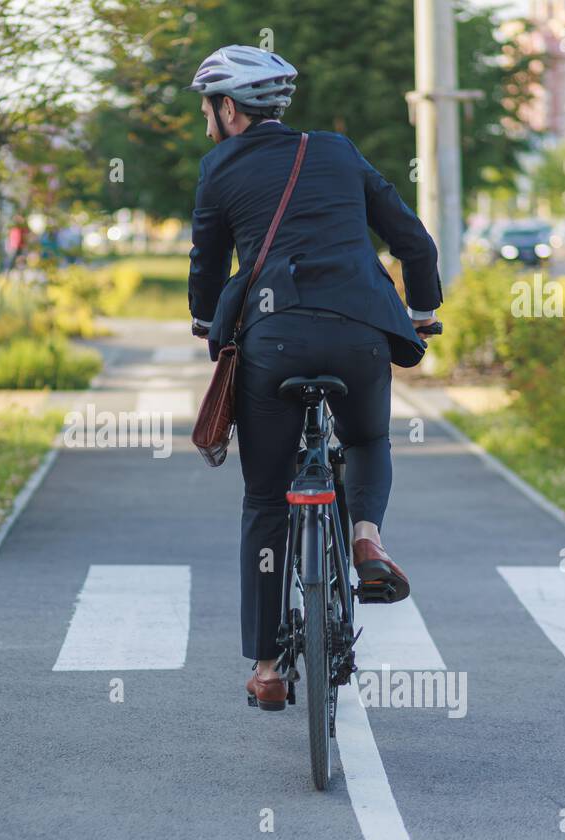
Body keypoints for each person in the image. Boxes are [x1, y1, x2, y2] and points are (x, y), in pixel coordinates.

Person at [185, 45, 442, 711]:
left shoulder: (217, 169)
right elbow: (411, 240)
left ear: (229, 109)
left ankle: (267, 666)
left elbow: (206, 264)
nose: (204, 119)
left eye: (207, 106)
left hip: (273, 341)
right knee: (364, 441)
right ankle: (365, 538)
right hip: (359, 331)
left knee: (266, 501)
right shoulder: (336, 151)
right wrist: (422, 312)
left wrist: (204, 318)